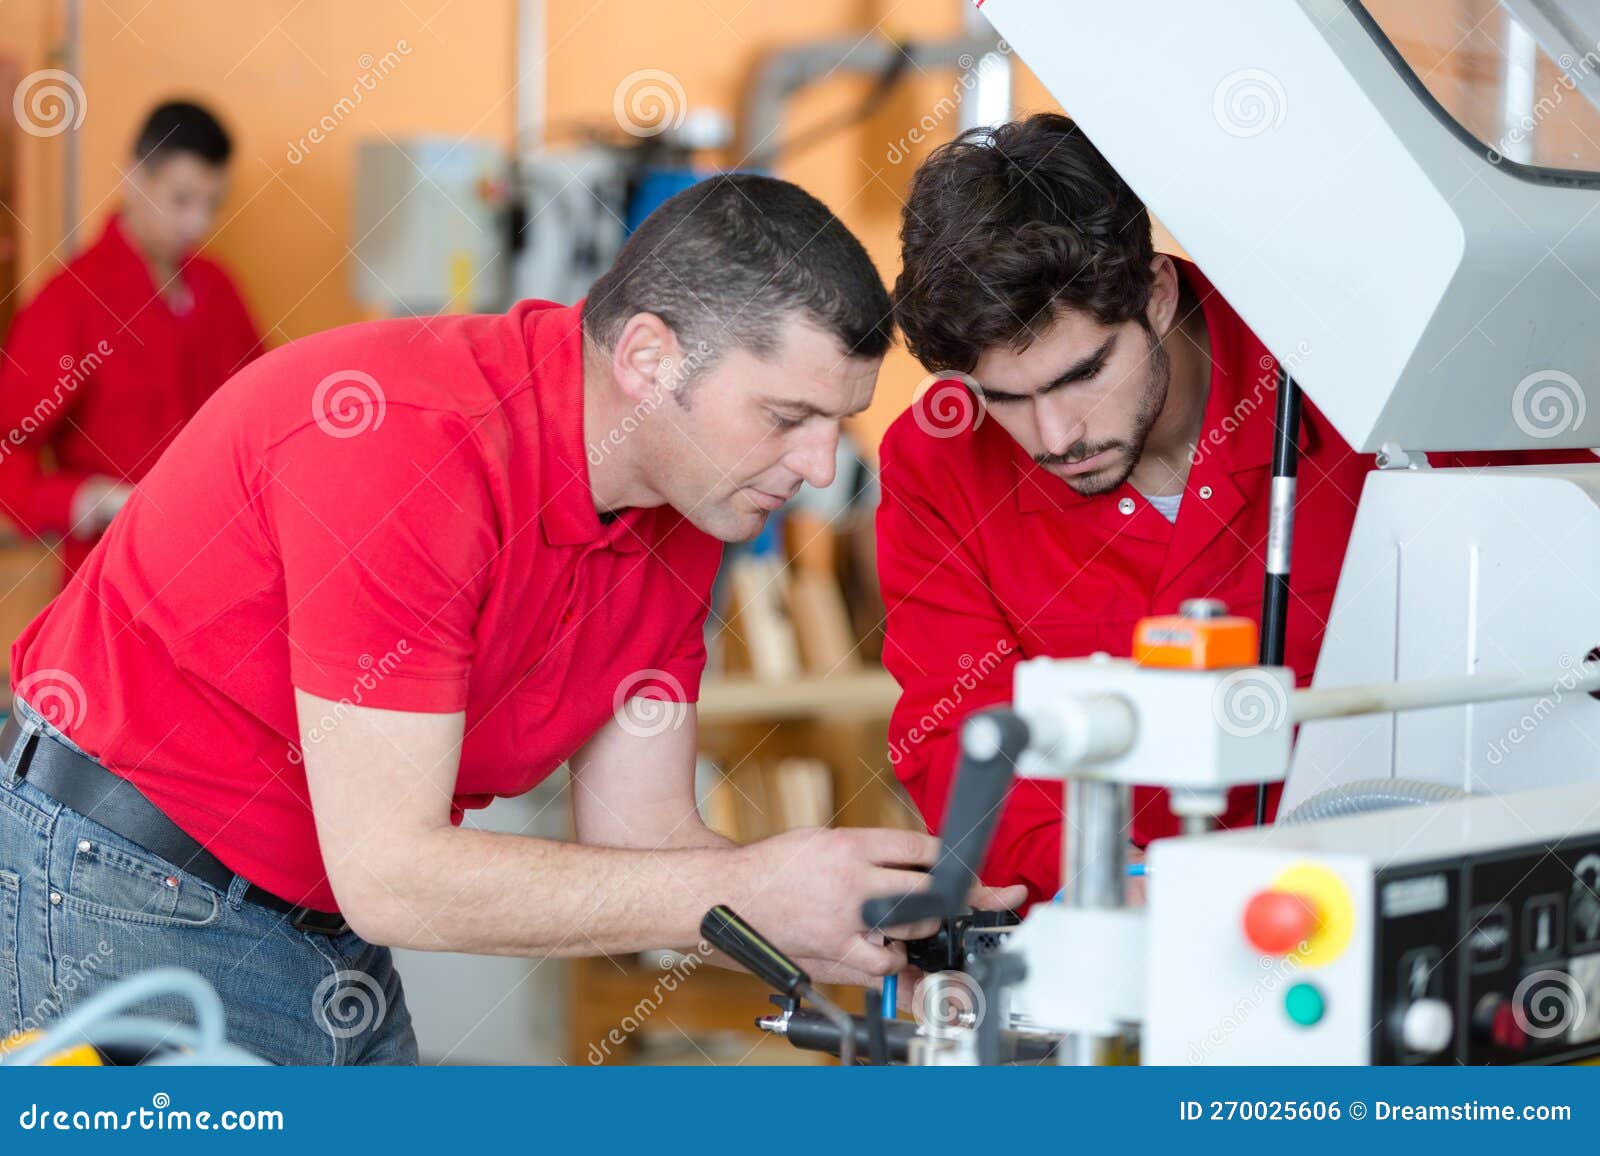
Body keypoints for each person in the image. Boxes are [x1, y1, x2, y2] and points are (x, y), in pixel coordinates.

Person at [0, 172, 1025, 1064]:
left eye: (836, 425)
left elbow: (645, 835)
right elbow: (395, 875)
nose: (820, 468)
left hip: (318, 921)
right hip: (127, 887)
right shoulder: (410, 449)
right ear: (649, 359)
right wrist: (746, 889)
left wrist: (845, 913)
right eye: (787, 418)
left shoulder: (683, 511)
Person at [878, 113, 1579, 906]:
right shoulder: (937, 462)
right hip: (1122, 934)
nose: (1055, 435)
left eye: (1083, 374)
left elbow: (1559, 596)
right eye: (1007, 397)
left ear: (1157, 292)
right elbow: (957, 736)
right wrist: (1120, 881)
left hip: (1425, 902)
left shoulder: (1364, 371)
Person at [0, 99, 263, 581]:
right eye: (182, 200)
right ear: (135, 178)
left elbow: (265, 412)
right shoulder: (69, 302)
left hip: (225, 568)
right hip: (115, 581)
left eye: (212, 204)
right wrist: (88, 499)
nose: (197, 224)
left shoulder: (219, 289)